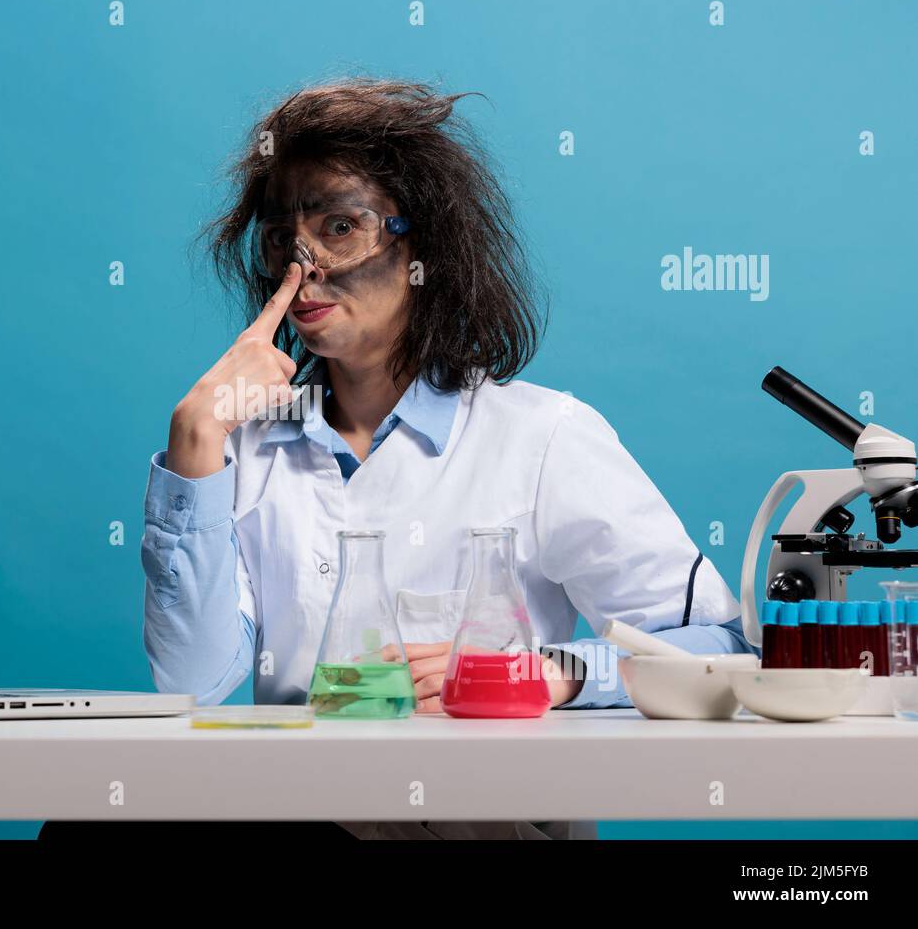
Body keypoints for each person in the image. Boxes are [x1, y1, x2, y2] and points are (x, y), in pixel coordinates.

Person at [139, 78, 754, 840]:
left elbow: (719, 650)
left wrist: (549, 675)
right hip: (301, 816)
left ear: (422, 246)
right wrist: (196, 438)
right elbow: (194, 680)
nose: (303, 271)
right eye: (280, 243)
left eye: (340, 227)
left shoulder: (543, 437)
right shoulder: (247, 452)